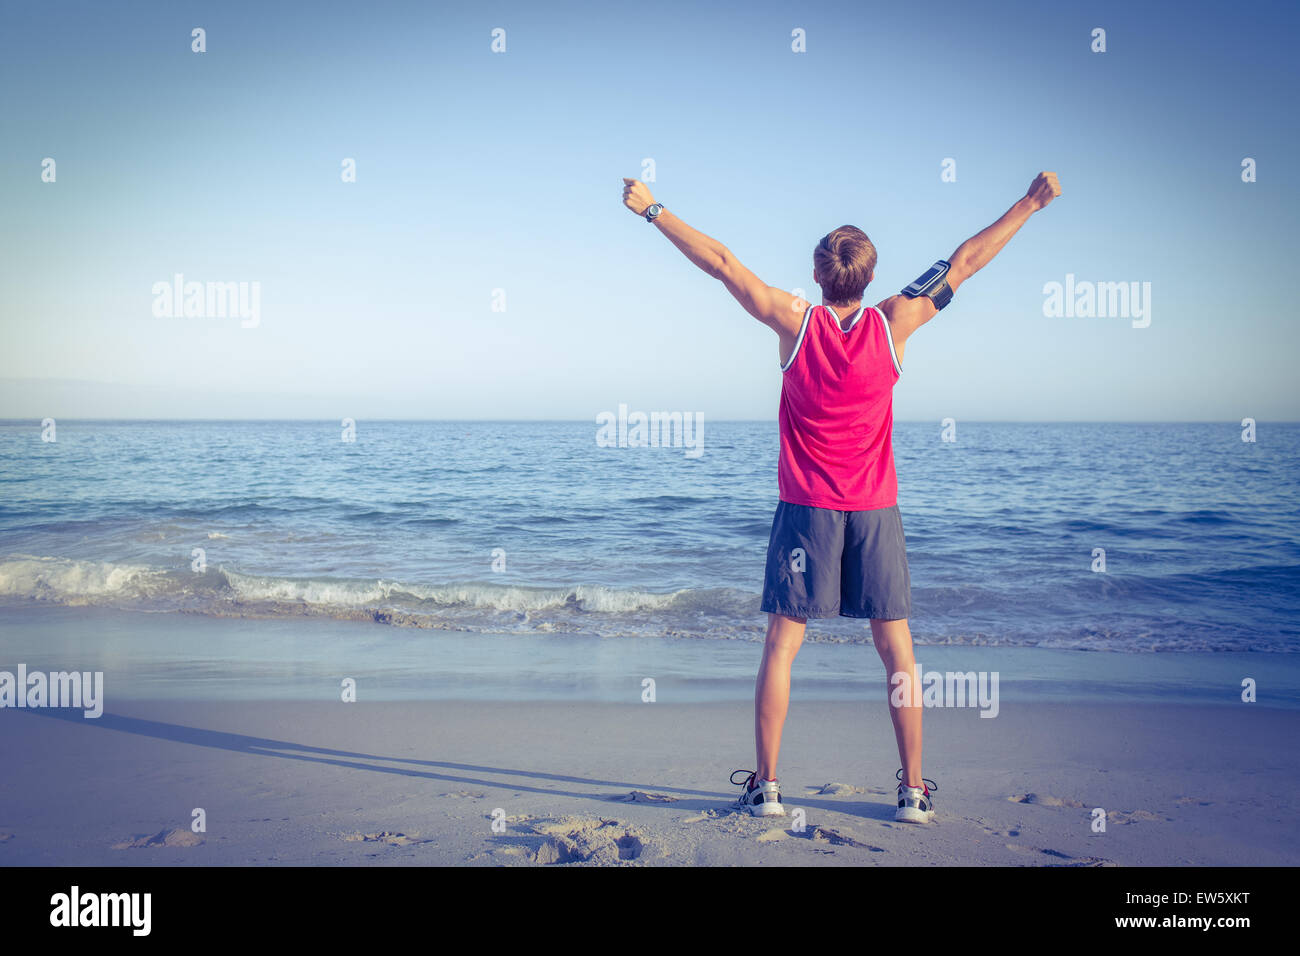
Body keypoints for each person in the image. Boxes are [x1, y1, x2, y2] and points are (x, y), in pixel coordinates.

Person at [622, 172, 1062, 823]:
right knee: (898, 649)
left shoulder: (793, 322)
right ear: (869, 275)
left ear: (821, 273)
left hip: (806, 511)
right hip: (875, 512)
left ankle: (767, 787)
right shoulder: (895, 322)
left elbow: (721, 265)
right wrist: (1029, 203)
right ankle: (913, 791)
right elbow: (964, 263)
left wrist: (653, 209)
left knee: (781, 645)